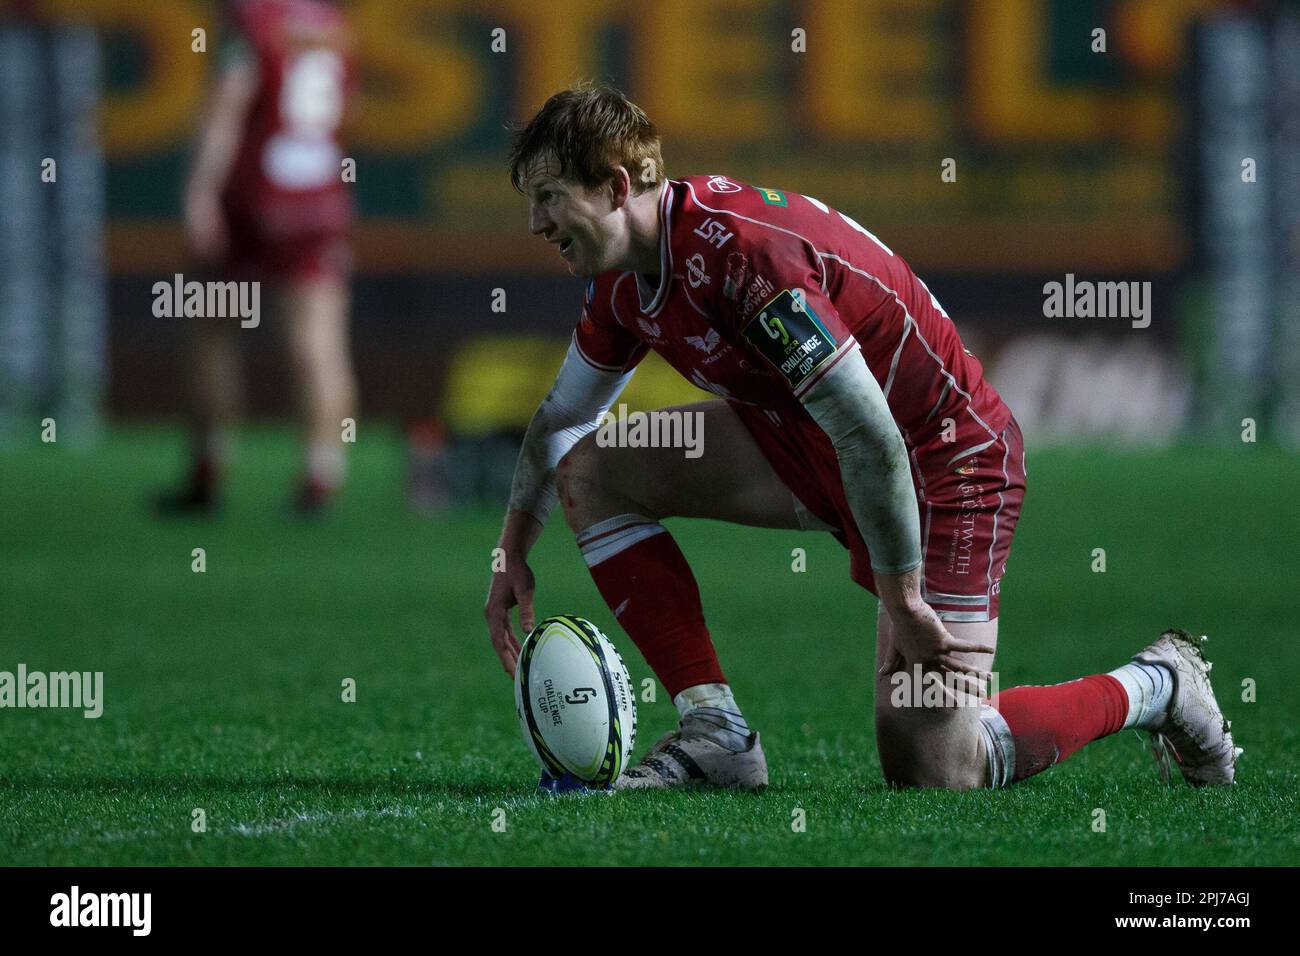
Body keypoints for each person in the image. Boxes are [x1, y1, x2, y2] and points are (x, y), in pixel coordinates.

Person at [485, 84, 1239, 791]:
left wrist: (902, 596)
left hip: (942, 459)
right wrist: (513, 548)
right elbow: (561, 418)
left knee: (935, 764)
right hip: (811, 441)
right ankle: (715, 732)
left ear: (617, 187)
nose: (534, 224)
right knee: (591, 471)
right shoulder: (624, 274)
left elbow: (874, 435)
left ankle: (1160, 683)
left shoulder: (746, 260)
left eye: (549, 198)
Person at [159, 0, 355, 514]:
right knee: (319, 346)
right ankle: (321, 475)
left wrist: (199, 191)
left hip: (250, 200)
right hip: (317, 198)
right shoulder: (329, 24)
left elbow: (229, 101)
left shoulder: (253, 19)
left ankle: (208, 468)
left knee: (212, 331)